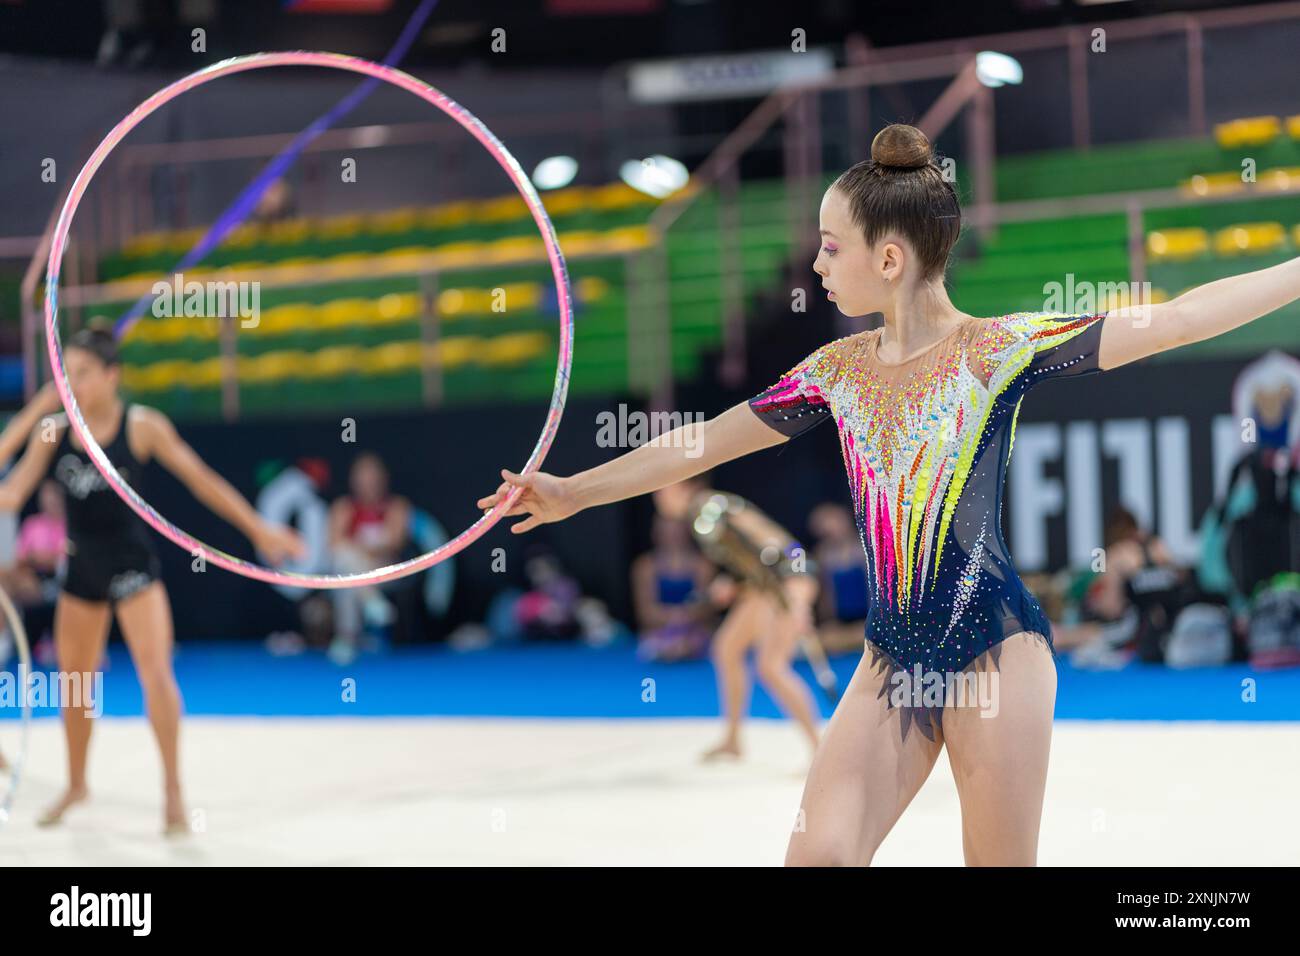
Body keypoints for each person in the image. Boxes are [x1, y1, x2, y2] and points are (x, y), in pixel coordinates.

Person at [477, 122, 1300, 865]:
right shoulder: (834, 374)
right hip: (890, 655)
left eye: (831, 247)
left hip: (994, 653)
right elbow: (704, 439)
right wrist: (573, 491)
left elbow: (1179, 319)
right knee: (819, 859)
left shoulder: (995, 351)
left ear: (890, 258)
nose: (816, 264)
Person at [0, 328, 304, 835]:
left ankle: (173, 792)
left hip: (133, 566)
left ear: (112, 375)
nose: (73, 383)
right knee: (76, 685)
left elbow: (201, 478)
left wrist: (258, 529)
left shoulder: (139, 425)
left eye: (83, 373)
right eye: (66, 373)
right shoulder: (54, 429)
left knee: (156, 676)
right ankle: (77, 784)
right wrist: (36, 410)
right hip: (81, 569)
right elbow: (10, 496)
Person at [653, 478, 822, 761]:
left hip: (785, 584)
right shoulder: (709, 511)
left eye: (661, 488)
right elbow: (753, 558)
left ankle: (820, 750)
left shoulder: (709, 511)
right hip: (765, 587)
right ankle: (732, 741)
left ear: (683, 485)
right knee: (727, 648)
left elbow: (780, 547)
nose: (656, 495)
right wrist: (735, 585)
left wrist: (798, 598)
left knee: (771, 667)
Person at [326, 452, 411, 665]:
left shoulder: (397, 506)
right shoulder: (343, 507)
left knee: (348, 568)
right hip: (352, 571)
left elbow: (394, 542)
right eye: (363, 478)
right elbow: (334, 545)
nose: (368, 483)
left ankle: (346, 638)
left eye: (373, 478)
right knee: (346, 569)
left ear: (382, 479)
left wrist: (362, 548)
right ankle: (371, 602)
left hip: (386, 570)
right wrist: (365, 549)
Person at [630, 513, 716, 661]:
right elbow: (645, 612)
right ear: (656, 533)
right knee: (655, 646)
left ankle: (684, 648)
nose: (672, 536)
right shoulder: (644, 567)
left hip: (694, 630)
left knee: (695, 643)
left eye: (677, 530)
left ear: (688, 531)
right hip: (658, 631)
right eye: (667, 531)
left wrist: (686, 617)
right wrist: (673, 617)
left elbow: (708, 608)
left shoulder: (703, 565)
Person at [808, 502, 871, 653]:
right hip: (841, 624)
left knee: (871, 635)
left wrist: (875, 620)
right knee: (824, 640)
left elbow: (874, 591)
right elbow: (826, 597)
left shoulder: (863, 549)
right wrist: (829, 623)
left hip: (867, 619)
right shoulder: (822, 554)